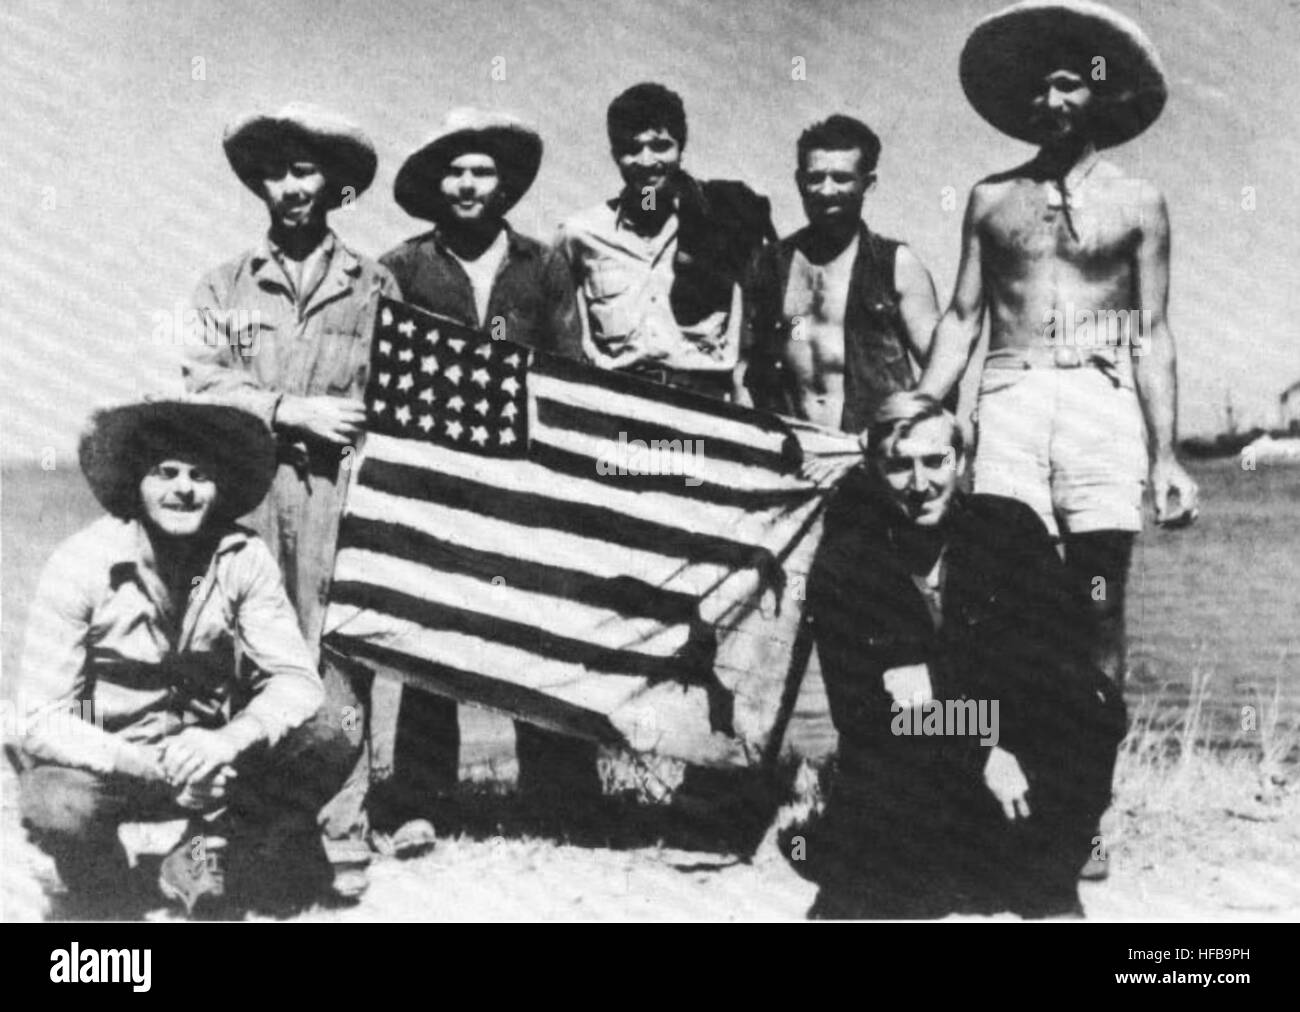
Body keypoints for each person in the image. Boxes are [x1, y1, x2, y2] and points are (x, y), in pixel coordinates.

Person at [916, 1, 1200, 880]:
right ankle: (996, 795)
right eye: (1036, 83)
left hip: (1100, 400)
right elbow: (963, 317)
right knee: (994, 608)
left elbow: (1151, 331)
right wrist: (919, 410)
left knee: (1094, 608)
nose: (1051, 96)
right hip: (1006, 398)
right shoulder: (990, 199)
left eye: (1068, 79)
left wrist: (1166, 454)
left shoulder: (1138, 201)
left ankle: (1085, 813)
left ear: (1098, 93)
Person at [16, 398, 357, 918]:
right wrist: (150, 765)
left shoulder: (242, 557)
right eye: (165, 472)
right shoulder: (79, 564)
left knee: (337, 722)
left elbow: (296, 681)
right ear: (137, 483)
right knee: (56, 803)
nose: (183, 488)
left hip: (214, 767)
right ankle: (105, 877)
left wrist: (229, 740)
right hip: (115, 766)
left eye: (200, 475)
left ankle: (206, 847)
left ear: (219, 488)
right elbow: (41, 719)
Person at [183, 103, 400, 896]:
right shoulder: (227, 284)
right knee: (241, 653)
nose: (291, 187)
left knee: (339, 653)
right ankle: (233, 830)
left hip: (342, 498)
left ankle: (343, 831)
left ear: (335, 183)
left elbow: (397, 397)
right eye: (277, 171)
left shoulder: (374, 284)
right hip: (249, 492)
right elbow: (202, 382)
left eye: (306, 170)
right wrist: (287, 410)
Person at [803, 393, 1126, 919]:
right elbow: (864, 713)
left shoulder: (1011, 529)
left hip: (993, 736)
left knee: (1090, 701)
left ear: (963, 461)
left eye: (936, 461)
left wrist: (938, 678)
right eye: (899, 466)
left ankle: (1048, 880)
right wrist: (982, 748)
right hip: (909, 770)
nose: (920, 482)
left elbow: (1056, 655)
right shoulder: (846, 562)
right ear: (872, 469)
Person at [378, 108, 592, 819]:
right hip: (437, 480)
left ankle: (562, 797)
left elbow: (571, 371)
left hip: (530, 479)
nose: (468, 184)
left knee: (541, 630)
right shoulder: (401, 268)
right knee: (429, 632)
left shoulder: (545, 265)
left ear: (503, 186)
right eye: (455, 171)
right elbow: (383, 379)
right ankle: (420, 799)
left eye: (482, 171)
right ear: (437, 186)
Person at [556, 82, 775, 402]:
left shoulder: (724, 221)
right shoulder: (580, 234)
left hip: (705, 404)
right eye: (632, 149)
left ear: (680, 148)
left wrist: (744, 379)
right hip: (617, 404)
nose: (647, 161)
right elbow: (551, 317)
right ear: (615, 155)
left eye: (660, 146)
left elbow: (766, 306)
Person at [744, 114, 942, 445]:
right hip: (790, 453)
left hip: (873, 456)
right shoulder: (768, 266)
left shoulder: (896, 264)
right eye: (815, 178)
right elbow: (745, 371)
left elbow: (942, 369)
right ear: (798, 181)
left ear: (869, 183)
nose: (826, 191)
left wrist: (899, 441)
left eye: (841, 178)